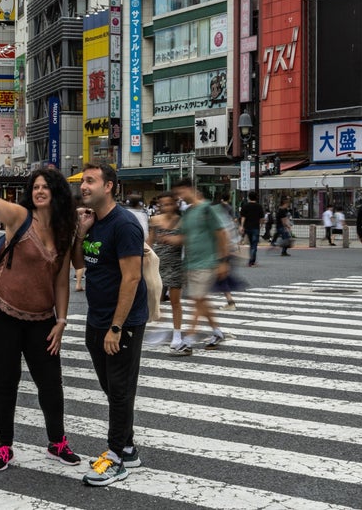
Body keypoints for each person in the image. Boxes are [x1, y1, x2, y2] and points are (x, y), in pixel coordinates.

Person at [0, 158, 81, 473]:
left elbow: (61, 280)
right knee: (6, 380)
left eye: (45, 186)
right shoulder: (20, 217)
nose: (39, 190)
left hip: (42, 317)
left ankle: (57, 441)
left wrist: (61, 320)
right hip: (0, 311)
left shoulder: (66, 229)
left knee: (50, 382)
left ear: (57, 191)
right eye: (35, 186)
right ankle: (5, 446)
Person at [76, 162, 147, 486]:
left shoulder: (124, 225)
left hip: (122, 322)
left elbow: (132, 278)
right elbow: (79, 263)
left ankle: (116, 456)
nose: (84, 186)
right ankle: (128, 447)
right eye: (83, 181)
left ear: (109, 187)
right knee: (111, 388)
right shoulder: (93, 222)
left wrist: (116, 328)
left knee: (118, 389)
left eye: (90, 181)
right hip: (97, 317)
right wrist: (80, 232)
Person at [171, 178, 229, 355]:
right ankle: (217, 332)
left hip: (207, 262)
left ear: (190, 189)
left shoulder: (207, 209)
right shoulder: (188, 213)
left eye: (181, 192)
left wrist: (223, 261)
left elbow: (221, 234)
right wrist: (164, 239)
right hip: (191, 263)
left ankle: (187, 340)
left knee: (197, 300)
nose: (179, 197)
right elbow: (185, 237)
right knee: (201, 300)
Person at [147, 192, 188, 355]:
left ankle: (177, 335)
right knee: (153, 296)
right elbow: (150, 241)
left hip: (176, 264)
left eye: (169, 204)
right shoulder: (155, 220)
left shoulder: (182, 221)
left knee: (175, 302)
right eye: (162, 205)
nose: (166, 208)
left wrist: (173, 240)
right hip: (157, 263)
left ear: (176, 204)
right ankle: (159, 327)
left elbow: (186, 240)